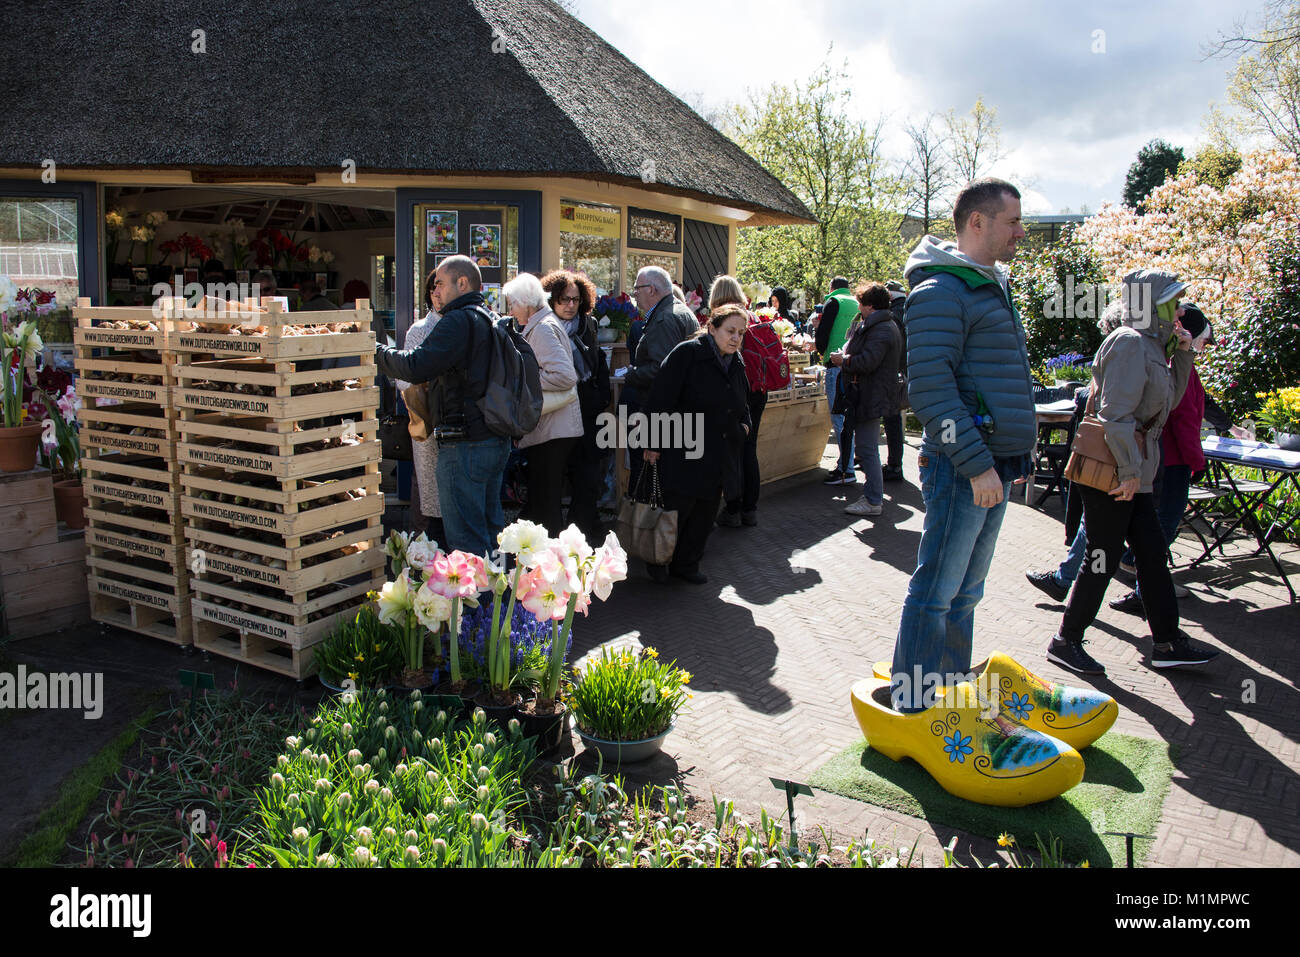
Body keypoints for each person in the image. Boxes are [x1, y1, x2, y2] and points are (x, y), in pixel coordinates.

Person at [889, 177, 1034, 714]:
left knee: (965, 593)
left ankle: (946, 699)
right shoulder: (940, 291)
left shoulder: (986, 283)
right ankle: (914, 709)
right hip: (962, 467)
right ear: (978, 221)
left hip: (989, 464)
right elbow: (929, 390)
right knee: (937, 592)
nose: (1021, 232)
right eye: (1013, 221)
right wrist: (976, 466)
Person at [1045, 270, 1219, 674]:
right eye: (1174, 302)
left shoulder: (1153, 346)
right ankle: (1066, 640)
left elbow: (1169, 405)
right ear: (1151, 303)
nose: (1180, 310)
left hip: (1132, 467)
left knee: (1152, 555)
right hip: (1114, 467)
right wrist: (1127, 473)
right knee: (1102, 557)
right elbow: (1115, 415)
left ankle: (1167, 641)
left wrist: (1184, 353)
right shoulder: (1129, 343)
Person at [374, 255, 510, 557]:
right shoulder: (488, 317)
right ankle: (499, 604)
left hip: (465, 445)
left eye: (440, 283)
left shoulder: (458, 320)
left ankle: (479, 604)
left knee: (467, 547)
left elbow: (415, 366)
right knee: (491, 538)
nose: (436, 291)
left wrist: (375, 350)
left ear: (462, 283)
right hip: (492, 439)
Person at [1108, 306, 1219, 615]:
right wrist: (1197, 461)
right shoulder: (1167, 363)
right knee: (1164, 524)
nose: (1202, 347)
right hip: (1171, 460)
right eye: (1204, 341)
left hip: (1164, 458)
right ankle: (1142, 587)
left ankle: (1138, 581)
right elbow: (1181, 419)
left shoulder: (1175, 363)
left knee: (1152, 525)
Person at [642, 304, 752, 584]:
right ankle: (658, 560)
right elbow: (660, 399)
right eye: (730, 331)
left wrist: (745, 426)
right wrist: (653, 442)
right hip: (683, 447)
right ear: (712, 328)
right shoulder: (687, 354)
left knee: (705, 511)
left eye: (741, 332)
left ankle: (687, 564)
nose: (736, 338)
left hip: (718, 451)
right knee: (676, 508)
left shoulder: (736, 361)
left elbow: (742, 401)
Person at [504, 273, 582, 536]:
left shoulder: (543, 328)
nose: (511, 311)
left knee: (546, 505)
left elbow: (565, 376)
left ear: (526, 302)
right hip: (553, 430)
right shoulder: (543, 324)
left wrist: (523, 379)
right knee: (541, 502)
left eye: (513, 304)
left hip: (553, 431)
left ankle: (553, 563)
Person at [541, 268, 610, 544]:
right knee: (554, 477)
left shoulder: (588, 325)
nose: (570, 305)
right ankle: (556, 534)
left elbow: (598, 364)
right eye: (564, 299)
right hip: (556, 411)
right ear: (551, 300)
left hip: (587, 409)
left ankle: (580, 532)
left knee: (588, 475)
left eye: (575, 299)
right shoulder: (544, 327)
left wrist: (601, 396)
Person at [624, 266, 699, 492]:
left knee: (654, 482)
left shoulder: (664, 319)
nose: (635, 294)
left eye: (637, 289)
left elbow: (662, 372)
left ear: (652, 289)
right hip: (680, 413)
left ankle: (652, 526)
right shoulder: (681, 311)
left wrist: (632, 375)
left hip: (663, 415)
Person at [831, 282, 901, 517]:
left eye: (861, 303)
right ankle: (872, 496)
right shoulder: (881, 326)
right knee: (867, 447)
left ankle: (872, 499)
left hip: (871, 395)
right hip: (871, 394)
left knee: (868, 448)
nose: (859, 308)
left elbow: (868, 361)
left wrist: (845, 361)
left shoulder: (881, 329)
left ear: (870, 305)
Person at [391, 269, 443, 543]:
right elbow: (403, 381)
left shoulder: (466, 324)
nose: (438, 294)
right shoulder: (419, 330)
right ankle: (418, 559)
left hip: (459, 428)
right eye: (434, 288)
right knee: (424, 494)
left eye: (442, 287)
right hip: (427, 425)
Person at [708, 276, 764, 527]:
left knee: (731, 452)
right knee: (749, 449)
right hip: (758, 389)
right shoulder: (752, 317)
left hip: (735, 391)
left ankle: (732, 508)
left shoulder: (722, 321)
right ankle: (749, 509)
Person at [816, 277, 860, 485]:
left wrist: (820, 348)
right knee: (848, 417)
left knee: (838, 418)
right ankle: (846, 465)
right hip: (854, 366)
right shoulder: (855, 302)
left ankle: (846, 470)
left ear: (831, 288)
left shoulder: (834, 302)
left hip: (835, 365)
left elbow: (822, 334)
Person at [882, 280, 909, 482]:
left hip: (896, 373)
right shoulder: (910, 308)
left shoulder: (894, 314)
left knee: (892, 419)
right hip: (910, 370)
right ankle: (895, 463)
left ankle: (894, 465)